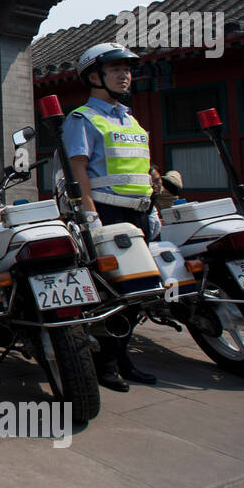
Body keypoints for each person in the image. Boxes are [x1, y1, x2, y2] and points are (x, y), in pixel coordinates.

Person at [63, 42, 159, 392]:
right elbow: (79, 170)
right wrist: (89, 214)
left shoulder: (130, 118)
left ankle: (122, 355)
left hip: (140, 213)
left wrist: (154, 205)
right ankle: (105, 361)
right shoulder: (82, 119)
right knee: (112, 291)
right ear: (94, 75)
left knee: (137, 291)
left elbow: (142, 169)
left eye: (127, 69)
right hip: (106, 211)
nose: (125, 75)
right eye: (116, 69)